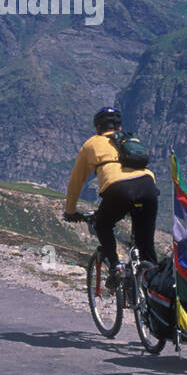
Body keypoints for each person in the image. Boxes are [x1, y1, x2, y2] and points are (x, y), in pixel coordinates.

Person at [63, 107, 159, 289]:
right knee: (146, 246)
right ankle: (155, 294)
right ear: (119, 126)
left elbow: (75, 182)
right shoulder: (130, 139)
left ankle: (116, 267)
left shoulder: (91, 144)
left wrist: (70, 211)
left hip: (118, 189)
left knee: (102, 224)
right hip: (148, 186)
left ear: (97, 126)